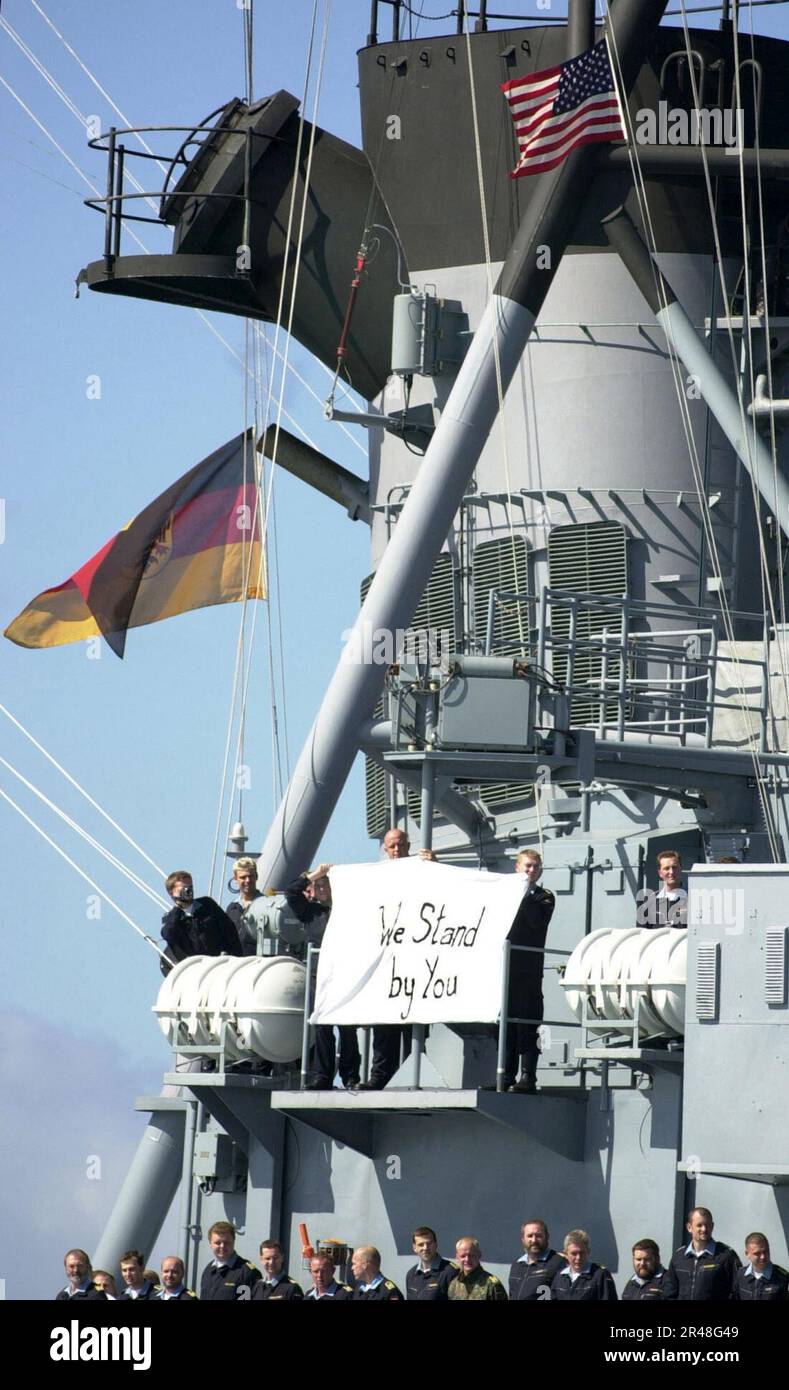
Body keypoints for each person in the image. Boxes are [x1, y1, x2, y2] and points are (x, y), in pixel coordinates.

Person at [356, 827, 436, 1091]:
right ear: (385, 849)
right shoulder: (378, 877)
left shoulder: (423, 870)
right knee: (384, 1022)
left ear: (409, 845)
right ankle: (380, 1076)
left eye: (401, 844)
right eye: (392, 845)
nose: (397, 849)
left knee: (414, 1025)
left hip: (414, 958)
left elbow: (441, 895)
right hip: (387, 960)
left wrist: (434, 867)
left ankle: (414, 1074)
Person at [286, 864, 361, 1090]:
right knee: (322, 1027)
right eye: (316, 886)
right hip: (320, 977)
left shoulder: (348, 910)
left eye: (324, 884)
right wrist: (315, 874)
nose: (320, 889)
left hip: (345, 975)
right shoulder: (311, 912)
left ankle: (350, 1076)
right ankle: (323, 1077)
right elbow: (291, 893)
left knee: (347, 1027)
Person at [502, 850, 555, 1093]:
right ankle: (505, 1075)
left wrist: (522, 893)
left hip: (529, 970)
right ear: (517, 867)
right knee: (505, 1025)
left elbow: (535, 921)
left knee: (528, 1022)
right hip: (506, 969)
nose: (531, 870)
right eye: (527, 866)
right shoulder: (504, 894)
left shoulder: (544, 897)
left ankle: (528, 1077)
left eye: (535, 867)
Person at [160, 870, 242, 973]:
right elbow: (168, 935)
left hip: (220, 964)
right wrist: (178, 909)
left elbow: (230, 930)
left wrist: (234, 958)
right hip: (196, 971)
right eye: (184, 888)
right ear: (171, 893)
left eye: (190, 887)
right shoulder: (173, 918)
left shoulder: (207, 905)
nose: (188, 891)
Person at [662, 1207, 740, 1300]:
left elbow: (737, 1291)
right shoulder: (679, 1257)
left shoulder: (726, 1256)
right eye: (699, 1225)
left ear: (712, 1226)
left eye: (707, 1225)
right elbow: (669, 1292)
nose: (704, 1229)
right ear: (689, 1227)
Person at [199, 1221, 261, 1300]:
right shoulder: (208, 1270)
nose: (222, 1246)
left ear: (234, 1242)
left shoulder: (247, 1273)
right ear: (210, 1244)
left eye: (226, 1242)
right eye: (218, 1243)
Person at [551, 1230, 618, 1300]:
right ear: (566, 1254)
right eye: (574, 1253)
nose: (578, 1257)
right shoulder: (559, 1278)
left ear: (588, 1252)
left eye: (581, 1253)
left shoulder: (600, 1275)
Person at [508, 1218, 564, 1299]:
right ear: (523, 1239)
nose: (534, 1240)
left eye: (538, 1236)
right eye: (530, 1236)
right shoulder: (516, 1265)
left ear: (547, 1237)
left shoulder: (558, 1263)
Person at [636, 849, 688, 929]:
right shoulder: (650, 902)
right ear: (660, 873)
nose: (671, 872)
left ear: (681, 868)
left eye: (674, 867)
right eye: (666, 868)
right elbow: (641, 932)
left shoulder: (693, 899)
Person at [225, 856, 263, 955]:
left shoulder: (266, 905)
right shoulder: (232, 908)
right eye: (243, 877)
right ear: (235, 879)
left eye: (251, 876)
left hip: (259, 961)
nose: (248, 880)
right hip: (236, 962)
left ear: (256, 876)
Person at [733, 1233, 789, 1300]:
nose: (763, 1257)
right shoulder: (740, 1275)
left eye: (765, 1251)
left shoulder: (782, 1277)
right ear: (747, 1254)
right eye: (757, 1253)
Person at [406, 1226, 456, 1300]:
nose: (425, 1248)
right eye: (421, 1244)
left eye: (429, 1243)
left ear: (436, 1245)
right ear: (414, 1248)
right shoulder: (411, 1274)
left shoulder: (450, 1272)